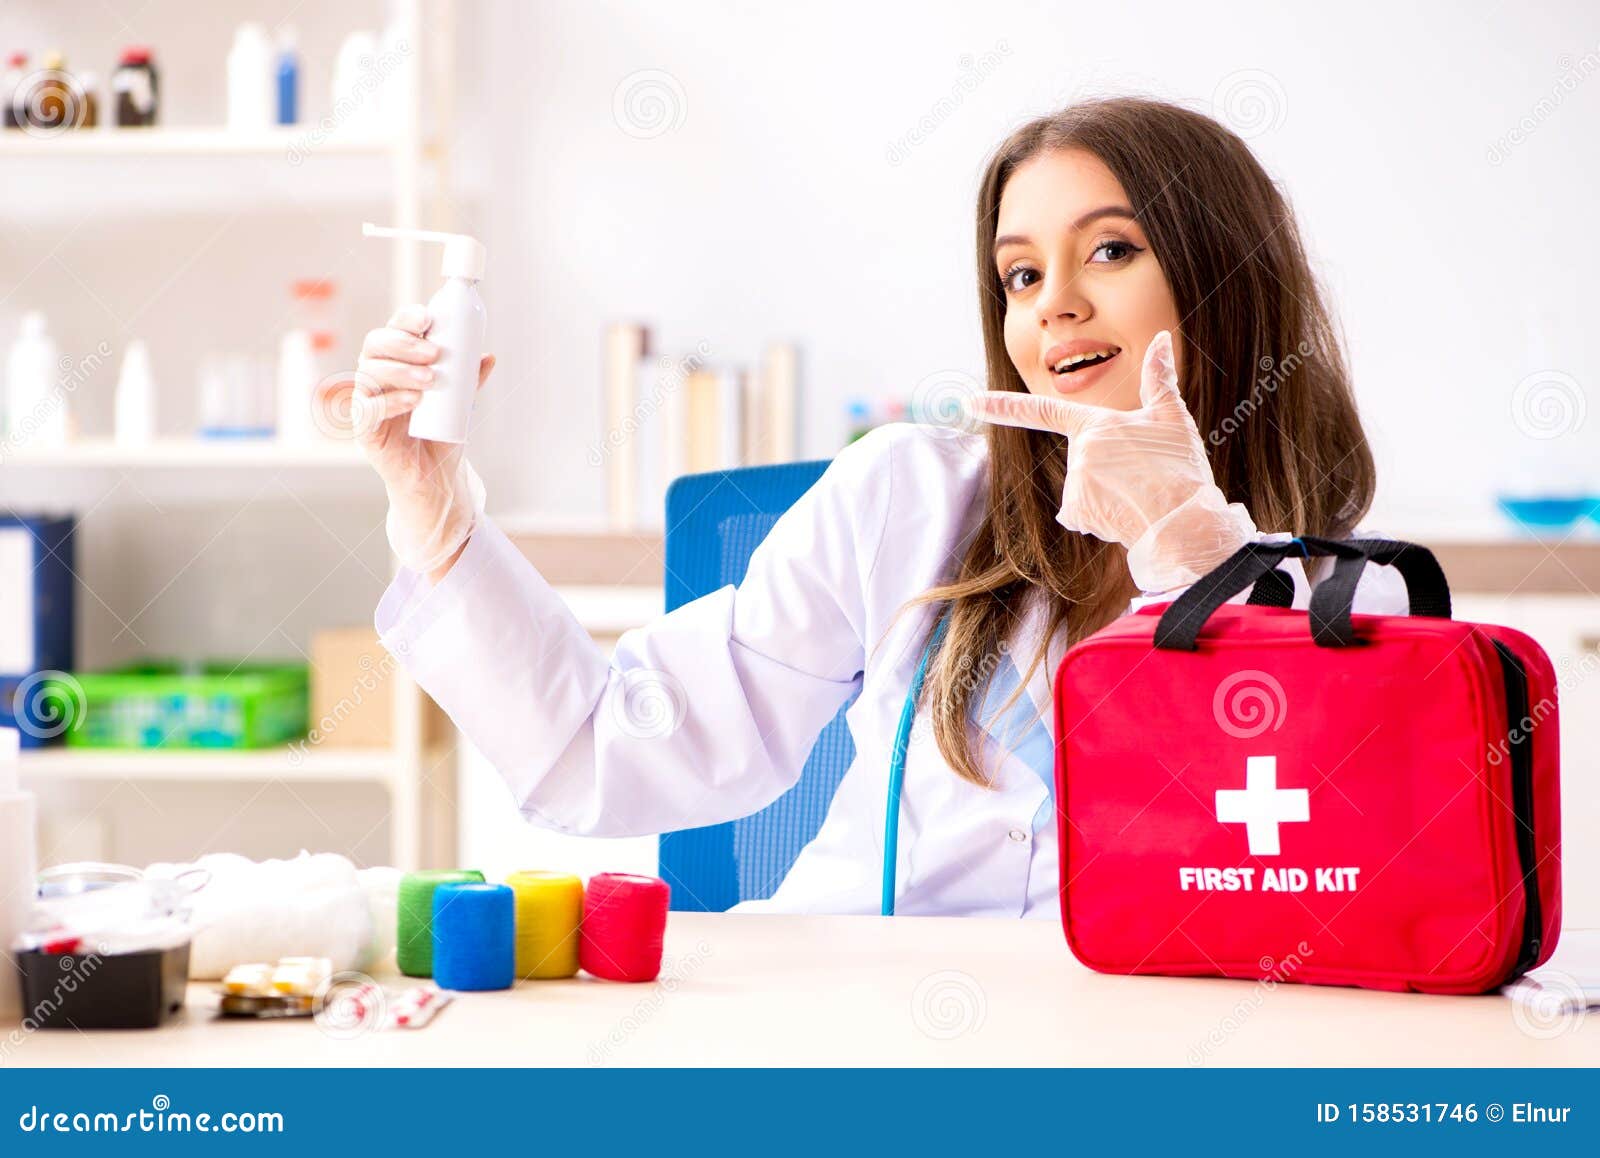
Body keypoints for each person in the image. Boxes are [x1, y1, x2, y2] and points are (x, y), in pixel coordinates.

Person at [346, 96, 1406, 918]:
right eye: (1021, 275)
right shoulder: (908, 496)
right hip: (858, 1025)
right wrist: (435, 512)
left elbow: (1316, 874)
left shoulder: (1329, 589)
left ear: (1229, 278)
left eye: (1110, 251)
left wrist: (1189, 554)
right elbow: (602, 749)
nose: (1055, 305)